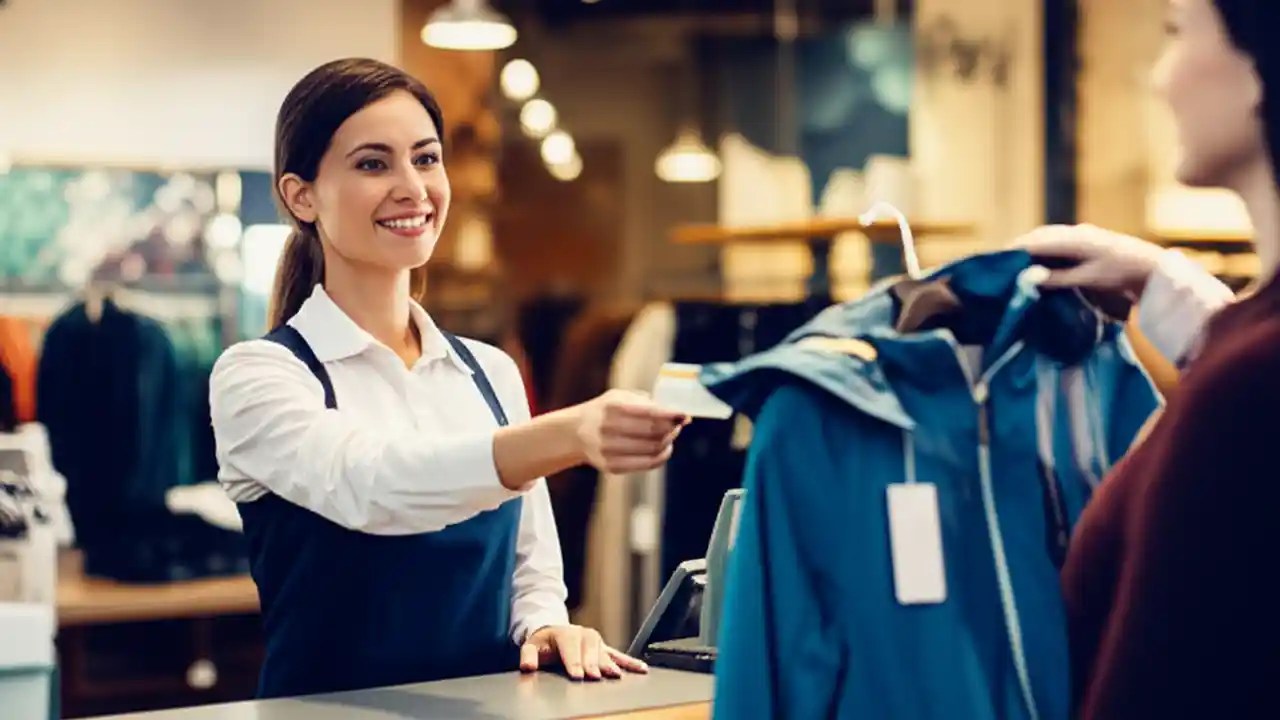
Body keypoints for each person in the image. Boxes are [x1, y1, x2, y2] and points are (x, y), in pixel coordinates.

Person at [209, 58, 689, 699]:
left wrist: (546, 628)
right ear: (301, 196)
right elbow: (375, 486)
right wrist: (570, 434)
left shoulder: (489, 372)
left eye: (426, 159)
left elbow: (531, 572)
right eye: (373, 164)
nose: (413, 187)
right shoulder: (259, 375)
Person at [1014, 1, 1280, 717]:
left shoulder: (1247, 393)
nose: (1159, 80)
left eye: (1177, 36)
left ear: (1258, 67)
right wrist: (1167, 290)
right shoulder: (1246, 364)